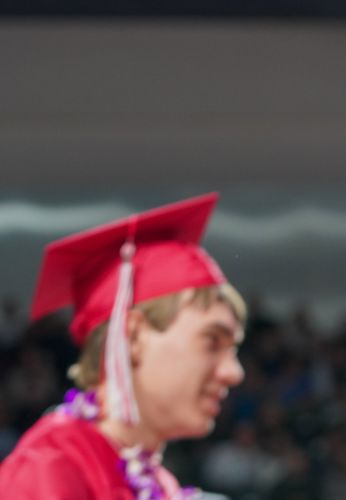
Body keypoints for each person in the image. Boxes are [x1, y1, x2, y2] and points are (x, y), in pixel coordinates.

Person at [0, 194, 247, 499]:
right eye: (211, 342)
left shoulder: (157, 482)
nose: (233, 372)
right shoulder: (50, 469)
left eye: (232, 350)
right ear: (132, 337)